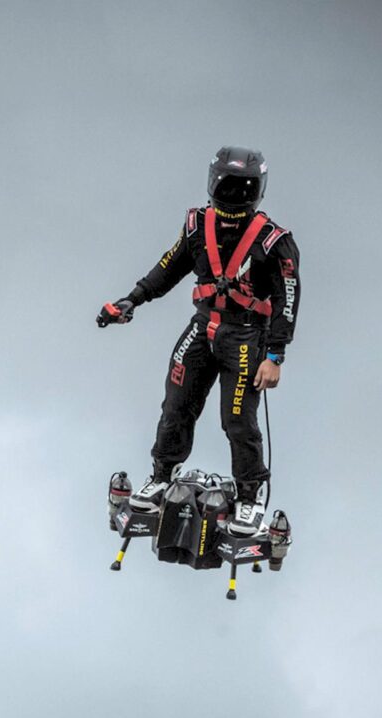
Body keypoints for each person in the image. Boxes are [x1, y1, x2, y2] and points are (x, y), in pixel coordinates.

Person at [97, 146, 301, 537]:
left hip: (246, 339)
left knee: (238, 421)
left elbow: (288, 299)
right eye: (227, 185)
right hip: (201, 328)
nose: (234, 194)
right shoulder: (196, 225)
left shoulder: (274, 242)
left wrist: (275, 355)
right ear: (212, 183)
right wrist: (131, 300)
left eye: (243, 188)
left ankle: (249, 495)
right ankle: (161, 474)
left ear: (257, 190)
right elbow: (167, 268)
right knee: (175, 406)